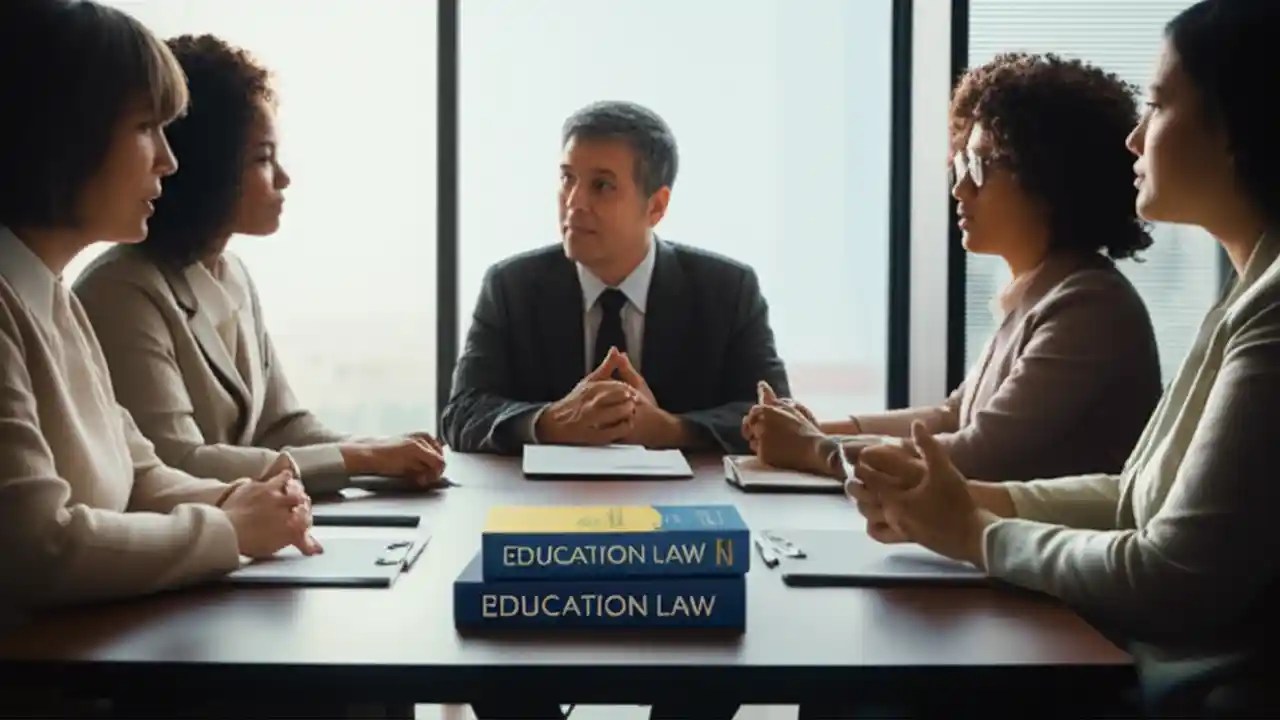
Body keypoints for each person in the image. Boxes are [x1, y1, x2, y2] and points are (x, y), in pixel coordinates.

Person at [850, 1, 1280, 716]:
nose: (1135, 138)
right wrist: (963, 507)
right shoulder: (1247, 291)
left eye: (1160, 104)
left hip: (1179, 684)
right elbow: (1130, 497)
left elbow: (1170, 574)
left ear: (1238, 125)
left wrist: (973, 531)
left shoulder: (1253, 306)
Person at [0, 0, 318, 618]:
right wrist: (231, 531)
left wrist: (244, 499)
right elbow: (34, 547)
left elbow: (139, 473)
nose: (169, 161)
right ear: (66, 133)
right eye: (147, 127)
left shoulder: (52, 298)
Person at [745, 52, 1162, 484]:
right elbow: (951, 416)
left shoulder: (1089, 309)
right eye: (962, 165)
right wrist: (819, 430)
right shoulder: (1044, 292)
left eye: (980, 166)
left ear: (1050, 176)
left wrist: (813, 449)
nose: (960, 188)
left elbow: (976, 453)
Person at [73, 34, 446, 497]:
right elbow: (177, 459)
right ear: (209, 167)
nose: (284, 178)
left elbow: (281, 426)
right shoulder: (121, 291)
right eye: (263, 159)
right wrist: (362, 458)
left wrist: (385, 452)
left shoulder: (232, 275)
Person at [441, 100, 789, 456]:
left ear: (656, 206)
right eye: (567, 178)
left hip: (682, 502)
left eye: (602, 186)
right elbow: (462, 413)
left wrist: (671, 430)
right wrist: (549, 422)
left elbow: (777, 417)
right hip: (546, 503)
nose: (574, 202)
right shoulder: (510, 287)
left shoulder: (727, 291)